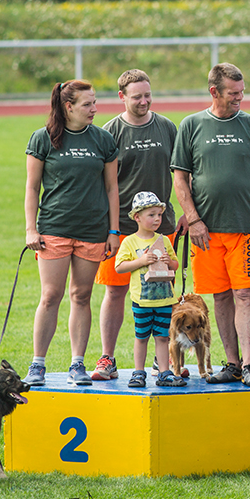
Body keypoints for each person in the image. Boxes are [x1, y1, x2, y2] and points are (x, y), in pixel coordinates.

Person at [171, 63, 250, 387]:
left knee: (244, 294)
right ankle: (230, 364)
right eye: (233, 93)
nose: (239, 98)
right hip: (206, 233)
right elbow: (180, 178)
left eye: (242, 92)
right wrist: (194, 219)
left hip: (244, 230)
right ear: (214, 91)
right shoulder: (191, 125)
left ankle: (248, 366)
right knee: (219, 297)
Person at [23, 80, 119, 386]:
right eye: (87, 104)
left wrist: (113, 231)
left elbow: (112, 188)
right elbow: (32, 188)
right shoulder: (43, 139)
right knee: (50, 296)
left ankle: (77, 364)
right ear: (68, 107)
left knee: (82, 295)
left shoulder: (103, 140)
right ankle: (38, 364)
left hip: (93, 231)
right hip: (54, 230)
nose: (94, 109)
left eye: (94, 103)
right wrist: (30, 229)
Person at [92, 69, 183, 381]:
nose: (144, 101)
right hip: (121, 228)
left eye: (147, 95)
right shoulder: (110, 132)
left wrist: (187, 211)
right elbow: (101, 183)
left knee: (162, 291)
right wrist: (109, 229)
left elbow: (183, 173)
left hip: (162, 225)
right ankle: (108, 358)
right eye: (136, 97)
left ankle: (163, 361)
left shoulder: (167, 127)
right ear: (122, 97)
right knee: (116, 292)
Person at [113, 192, 183, 388]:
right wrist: (141, 261)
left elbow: (176, 264)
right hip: (142, 301)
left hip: (164, 300)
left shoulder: (164, 240)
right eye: (151, 215)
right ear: (137, 217)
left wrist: (169, 262)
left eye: (159, 215)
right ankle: (138, 372)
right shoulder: (130, 242)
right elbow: (119, 267)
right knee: (141, 336)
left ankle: (164, 373)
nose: (157, 219)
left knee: (162, 336)